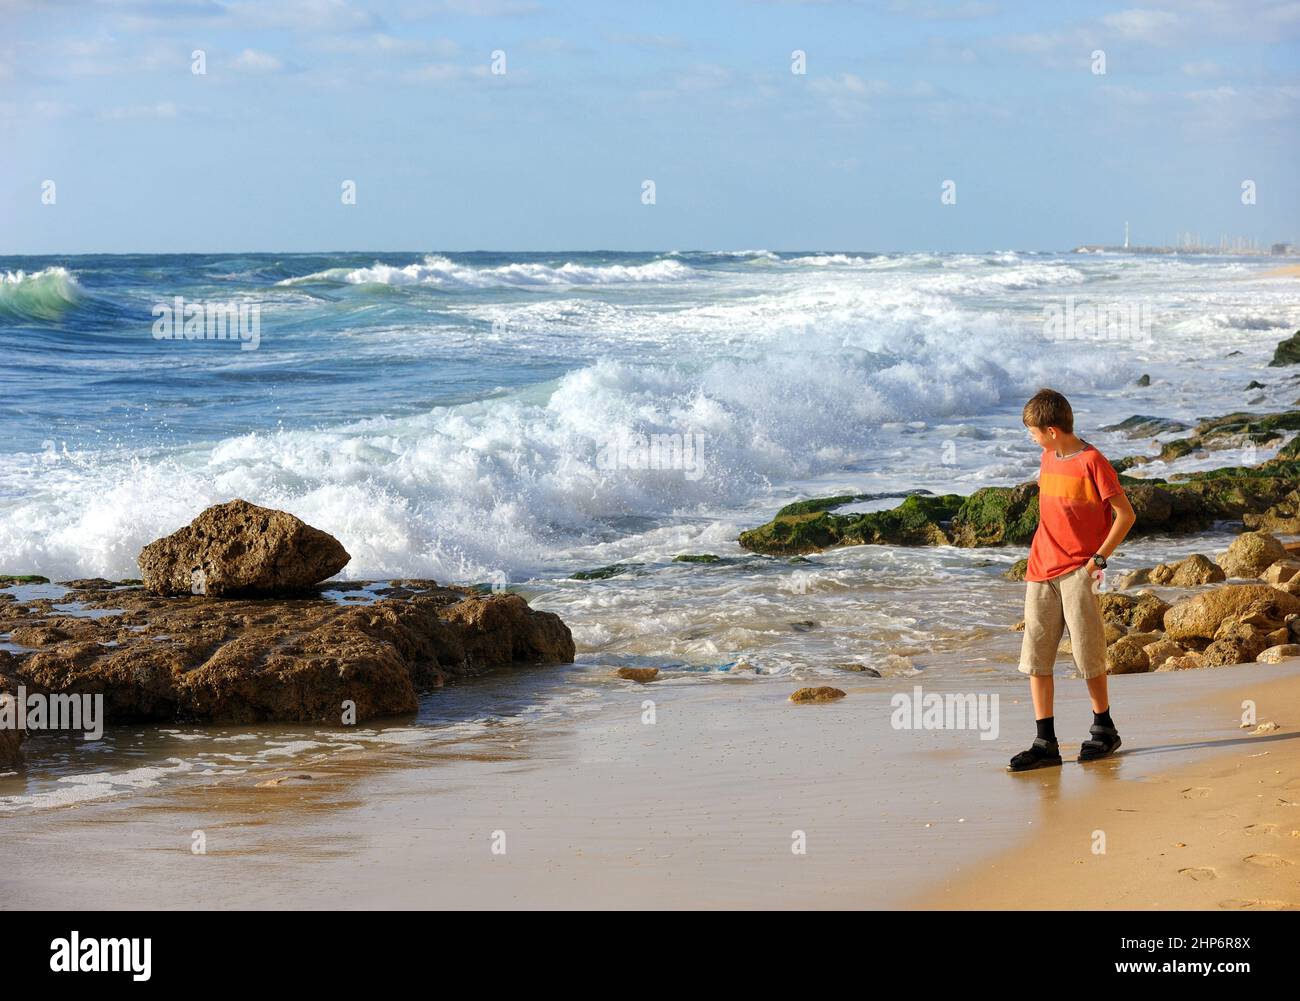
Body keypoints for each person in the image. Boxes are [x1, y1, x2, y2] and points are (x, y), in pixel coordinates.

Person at [1009, 388, 1137, 771]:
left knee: (1087, 652)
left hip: (1079, 571)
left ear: (1051, 430)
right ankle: (1044, 741)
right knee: (1036, 657)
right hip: (1040, 570)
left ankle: (1104, 729)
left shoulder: (1094, 462)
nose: (1031, 437)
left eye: (1033, 431)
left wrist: (1097, 560)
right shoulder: (1048, 457)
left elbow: (1125, 515)